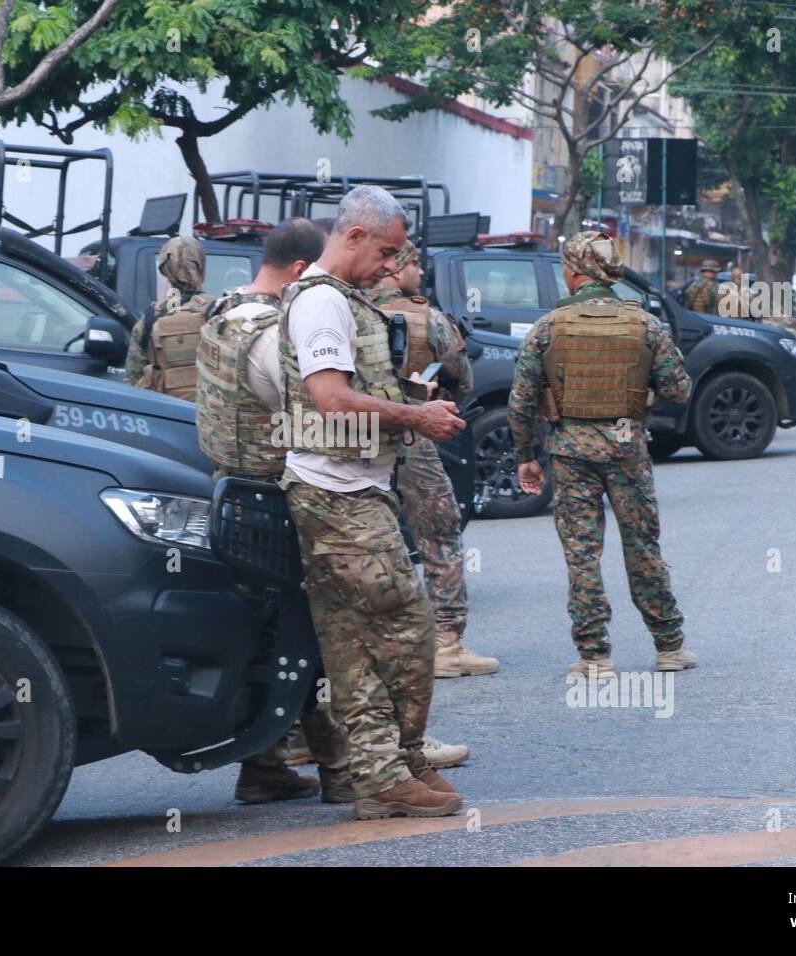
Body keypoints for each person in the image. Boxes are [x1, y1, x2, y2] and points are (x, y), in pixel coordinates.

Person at [279, 185, 467, 819]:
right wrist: (415, 414)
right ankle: (400, 759)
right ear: (353, 236)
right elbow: (330, 397)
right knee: (410, 630)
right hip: (339, 494)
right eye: (385, 251)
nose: (391, 265)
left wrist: (405, 397)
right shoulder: (322, 304)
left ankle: (381, 776)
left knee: (350, 645)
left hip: (343, 487)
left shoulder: (338, 299)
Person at [195, 218, 354, 805]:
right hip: (278, 499)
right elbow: (317, 413)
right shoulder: (271, 333)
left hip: (233, 496)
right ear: (297, 271)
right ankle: (342, 768)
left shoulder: (220, 312)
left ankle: (264, 766)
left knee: (268, 636)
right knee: (315, 633)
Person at [507, 231, 695, 678]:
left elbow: (521, 401)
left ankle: (594, 657)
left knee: (582, 553)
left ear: (573, 273)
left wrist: (525, 456)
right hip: (628, 448)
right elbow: (679, 390)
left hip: (570, 452)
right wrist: (641, 397)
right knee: (643, 546)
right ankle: (669, 647)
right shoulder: (646, 324)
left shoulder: (548, 327)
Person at [366, 240, 499, 680]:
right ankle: (446, 643)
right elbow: (462, 377)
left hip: (351, 438)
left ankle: (370, 647)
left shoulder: (345, 307)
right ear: (394, 269)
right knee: (439, 533)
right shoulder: (426, 317)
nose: (420, 272)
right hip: (411, 437)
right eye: (414, 264)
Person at [125, 235, 212, 399]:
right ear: (202, 269)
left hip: (167, 414)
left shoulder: (149, 321)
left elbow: (133, 383)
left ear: (165, 271)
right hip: (210, 416)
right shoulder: (221, 312)